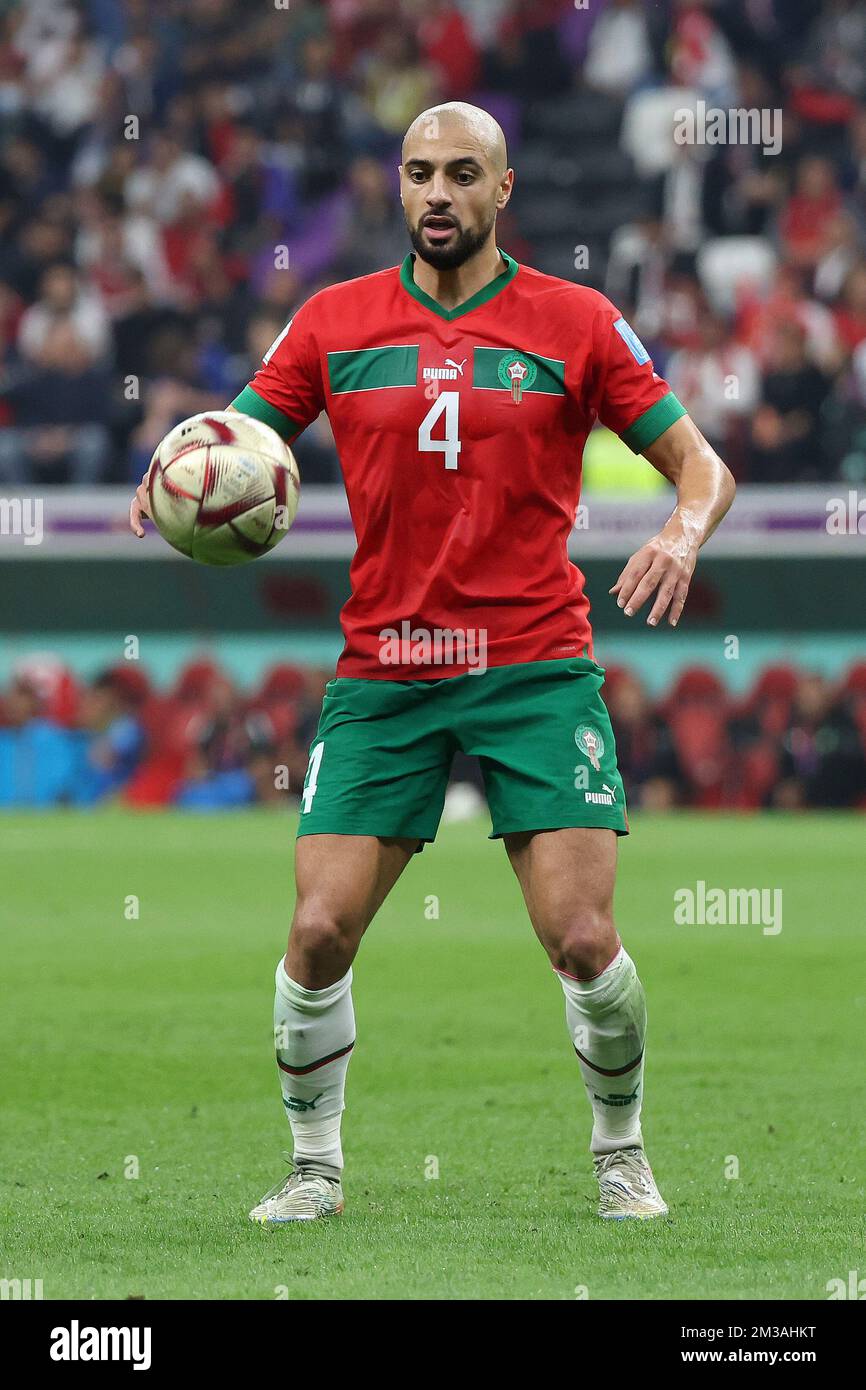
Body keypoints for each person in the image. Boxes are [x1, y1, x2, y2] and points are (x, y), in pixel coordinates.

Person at [129, 102, 735, 1225]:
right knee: (315, 933)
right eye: (419, 174)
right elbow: (241, 441)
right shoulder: (332, 320)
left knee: (583, 937)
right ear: (397, 188)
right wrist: (185, 473)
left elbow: (701, 468)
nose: (438, 194)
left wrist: (678, 530)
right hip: (384, 671)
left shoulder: (577, 321)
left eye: (462, 174)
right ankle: (313, 1169)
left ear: (503, 190)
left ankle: (620, 1149)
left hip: (534, 665)